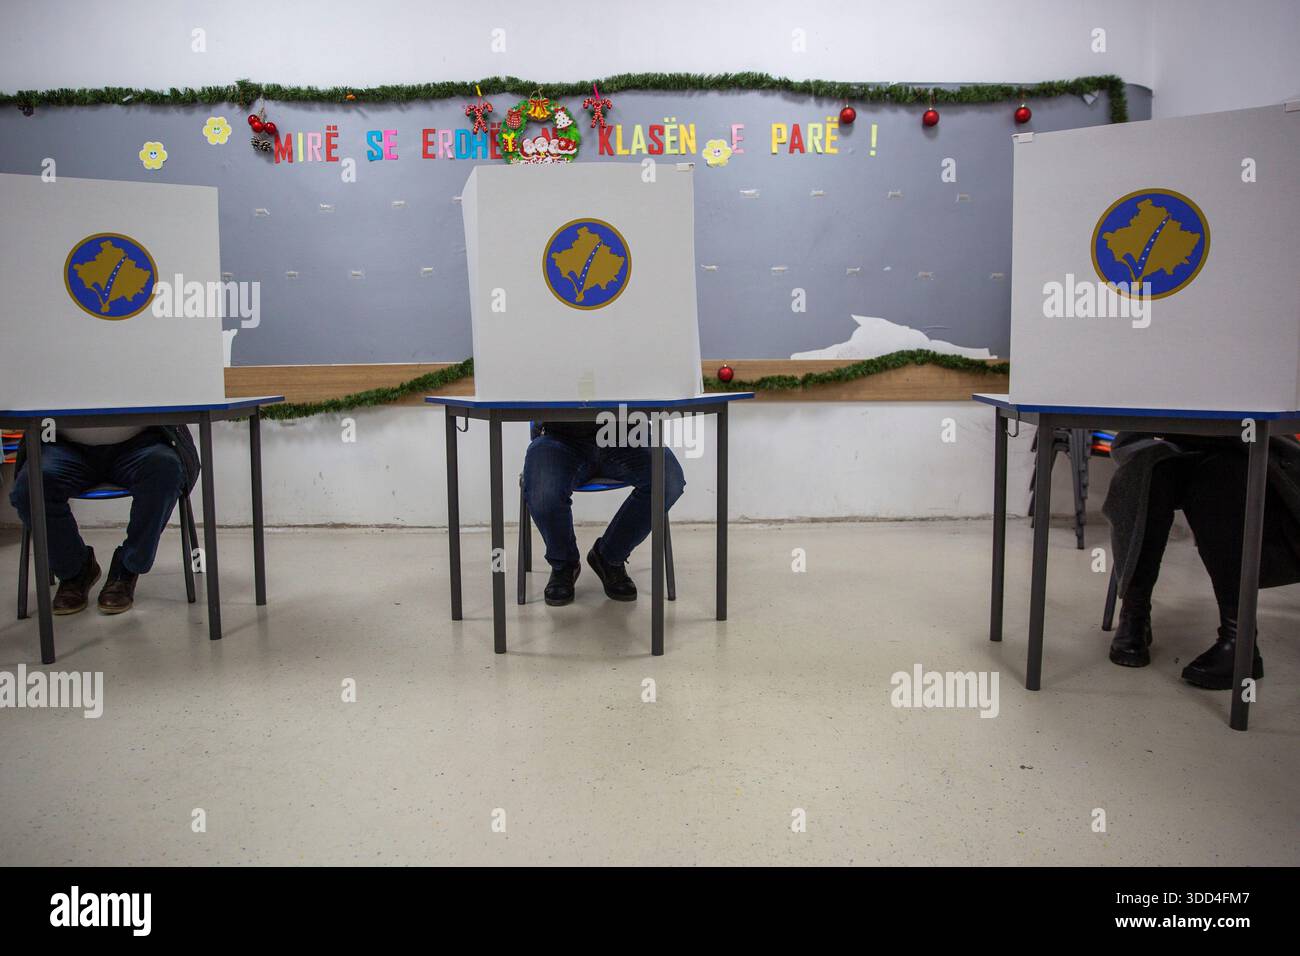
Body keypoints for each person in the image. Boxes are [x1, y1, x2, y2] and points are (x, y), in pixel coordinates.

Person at [1103, 431, 1300, 688]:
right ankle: (1134, 615)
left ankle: (1239, 639)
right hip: (1166, 441)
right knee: (1149, 472)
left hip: (1245, 444)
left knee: (1219, 477)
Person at [9, 424, 199, 615]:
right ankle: (76, 571)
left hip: (141, 445)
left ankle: (127, 568)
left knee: (166, 469)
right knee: (29, 489)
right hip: (63, 446)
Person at [522, 419, 685, 606]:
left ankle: (608, 557)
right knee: (544, 490)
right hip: (559, 437)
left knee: (668, 480)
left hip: (626, 436)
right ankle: (564, 564)